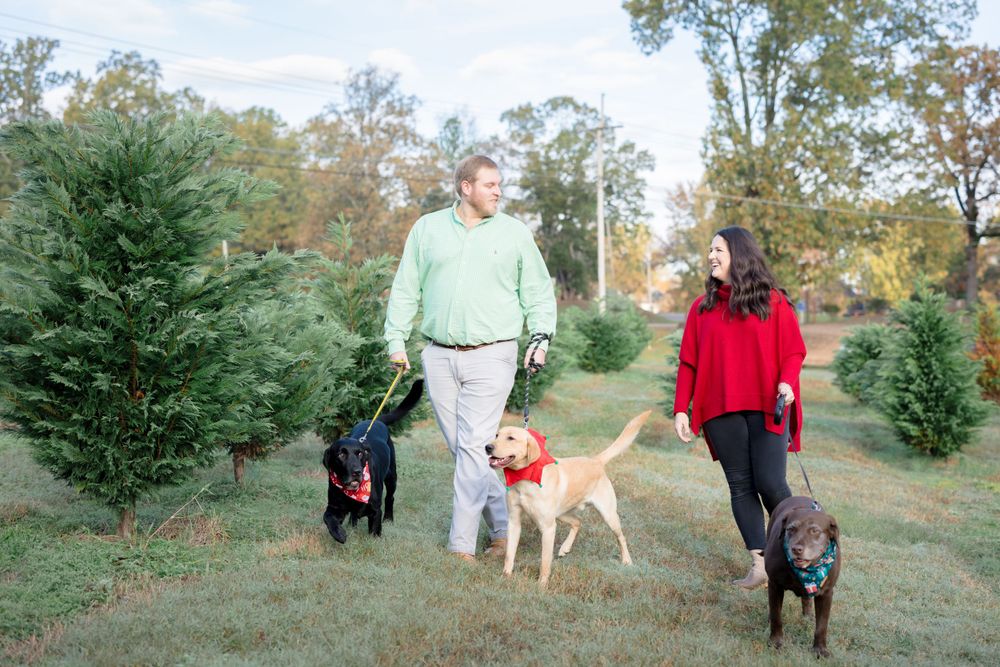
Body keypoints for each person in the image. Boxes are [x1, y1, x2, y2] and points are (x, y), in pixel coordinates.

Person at [384, 154, 557, 561]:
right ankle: (501, 530)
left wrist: (541, 338)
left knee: (476, 446)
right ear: (466, 187)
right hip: (439, 357)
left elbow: (537, 291)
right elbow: (406, 286)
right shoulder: (427, 229)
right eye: (490, 184)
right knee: (468, 452)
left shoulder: (515, 233)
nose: (499, 191)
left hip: (492, 354)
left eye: (500, 184)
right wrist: (395, 339)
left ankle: (459, 546)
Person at [672, 226, 806, 589]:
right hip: (720, 407)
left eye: (719, 250)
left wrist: (786, 382)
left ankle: (799, 553)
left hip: (768, 403)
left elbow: (794, 350)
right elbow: (689, 363)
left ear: (739, 256)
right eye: (710, 251)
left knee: (771, 481)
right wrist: (681, 409)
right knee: (741, 485)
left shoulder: (773, 301)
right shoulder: (702, 309)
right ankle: (761, 567)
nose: (711, 256)